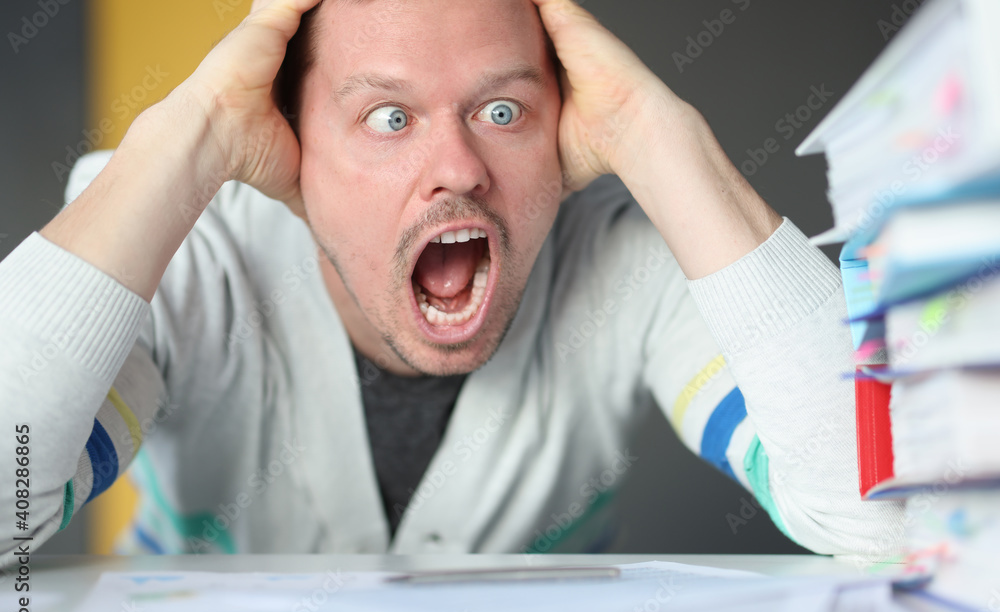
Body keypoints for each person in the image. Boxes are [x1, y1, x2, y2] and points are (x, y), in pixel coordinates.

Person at [0, 0, 904, 563]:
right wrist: (184, 138)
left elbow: (895, 516)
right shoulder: (179, 250)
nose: (459, 168)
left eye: (503, 110)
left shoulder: (626, 256)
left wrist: (654, 134)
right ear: (288, 140)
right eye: (388, 117)